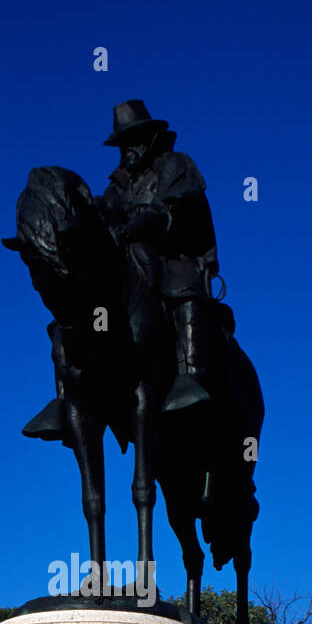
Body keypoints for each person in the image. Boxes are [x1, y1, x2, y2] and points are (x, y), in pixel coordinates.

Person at [97, 100, 221, 411]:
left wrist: (132, 228)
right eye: (123, 143)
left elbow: (170, 211)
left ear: (150, 137)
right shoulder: (116, 188)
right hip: (129, 263)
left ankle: (190, 376)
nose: (129, 149)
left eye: (134, 140)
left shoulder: (175, 165)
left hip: (172, 254)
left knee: (182, 283)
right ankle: (71, 394)